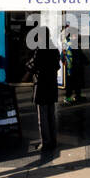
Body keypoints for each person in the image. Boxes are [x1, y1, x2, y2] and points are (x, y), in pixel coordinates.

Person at [25, 26, 60, 154]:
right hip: (52, 85)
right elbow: (57, 66)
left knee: (42, 117)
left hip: (41, 86)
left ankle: (45, 142)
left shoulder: (39, 50)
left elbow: (31, 66)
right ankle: (53, 140)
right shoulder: (54, 49)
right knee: (51, 115)